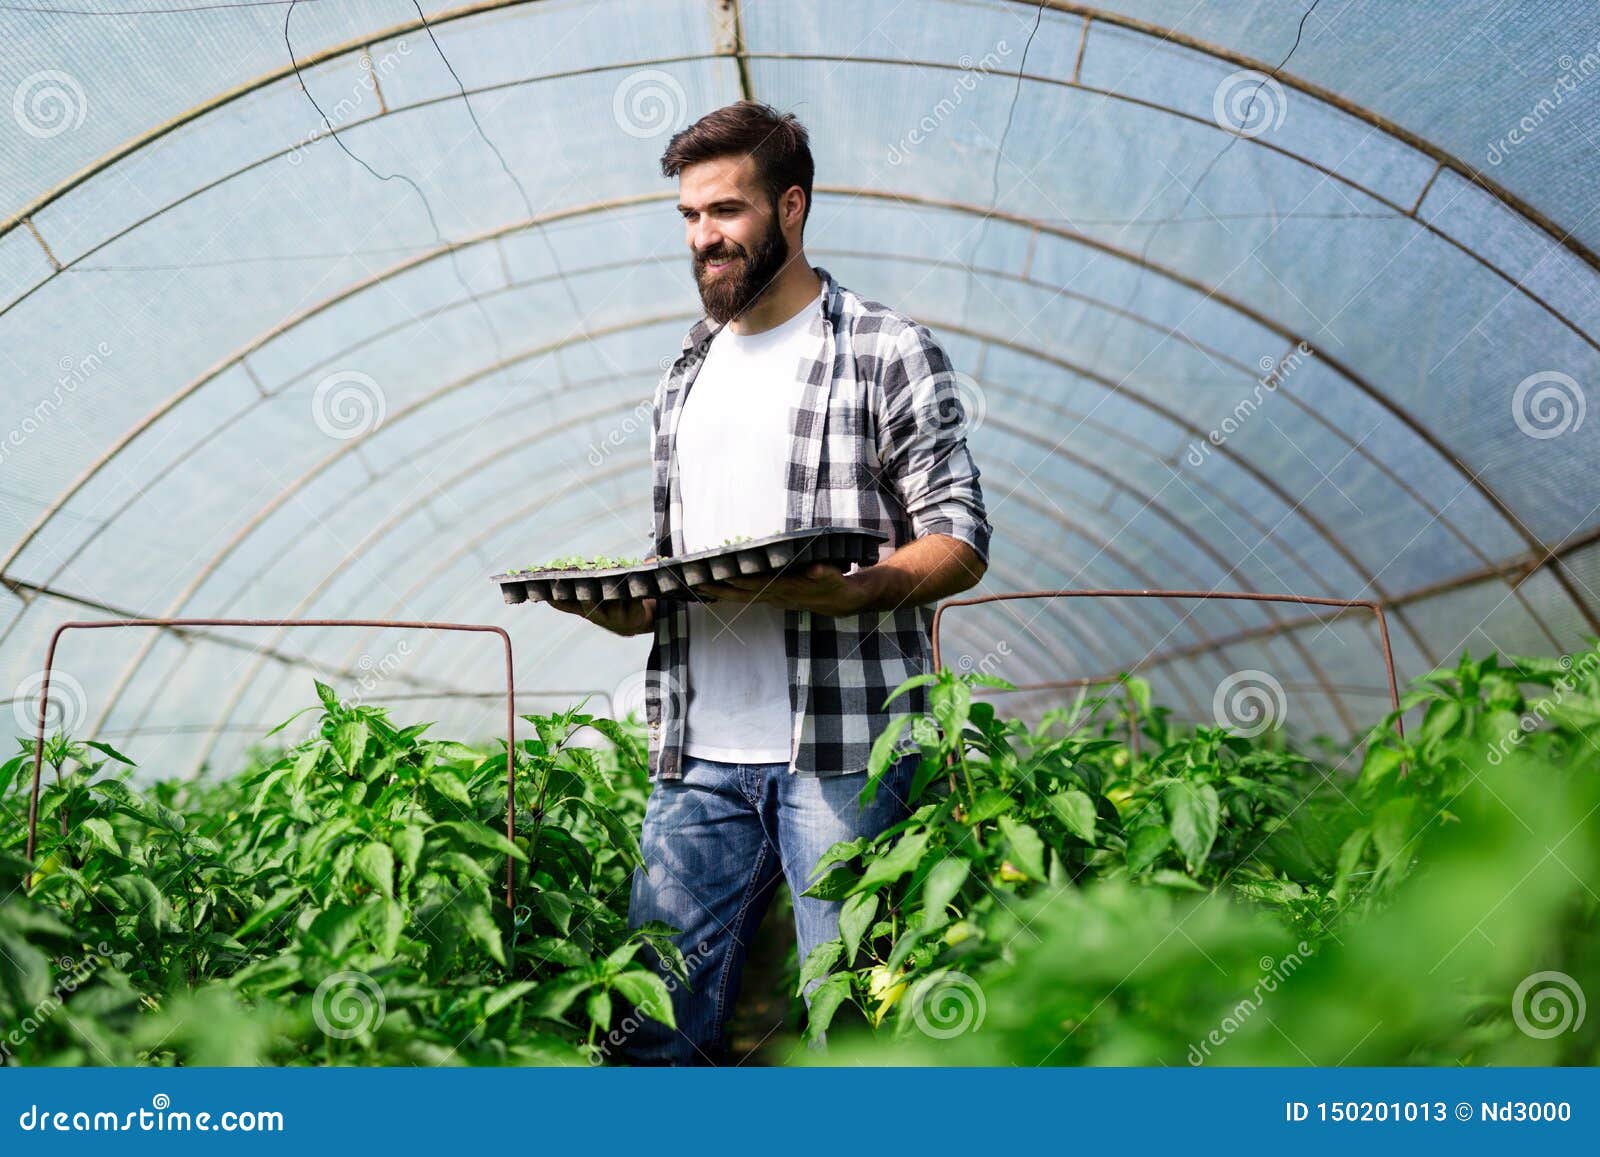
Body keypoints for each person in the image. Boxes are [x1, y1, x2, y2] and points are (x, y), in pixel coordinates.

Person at [548, 100, 991, 1064]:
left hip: (842, 748)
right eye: (691, 217)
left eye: (728, 212)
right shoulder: (685, 373)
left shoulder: (885, 349)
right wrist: (629, 612)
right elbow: (680, 568)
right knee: (650, 1032)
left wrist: (861, 590)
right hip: (694, 757)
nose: (705, 238)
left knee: (860, 1023)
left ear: (790, 208)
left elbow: (959, 538)